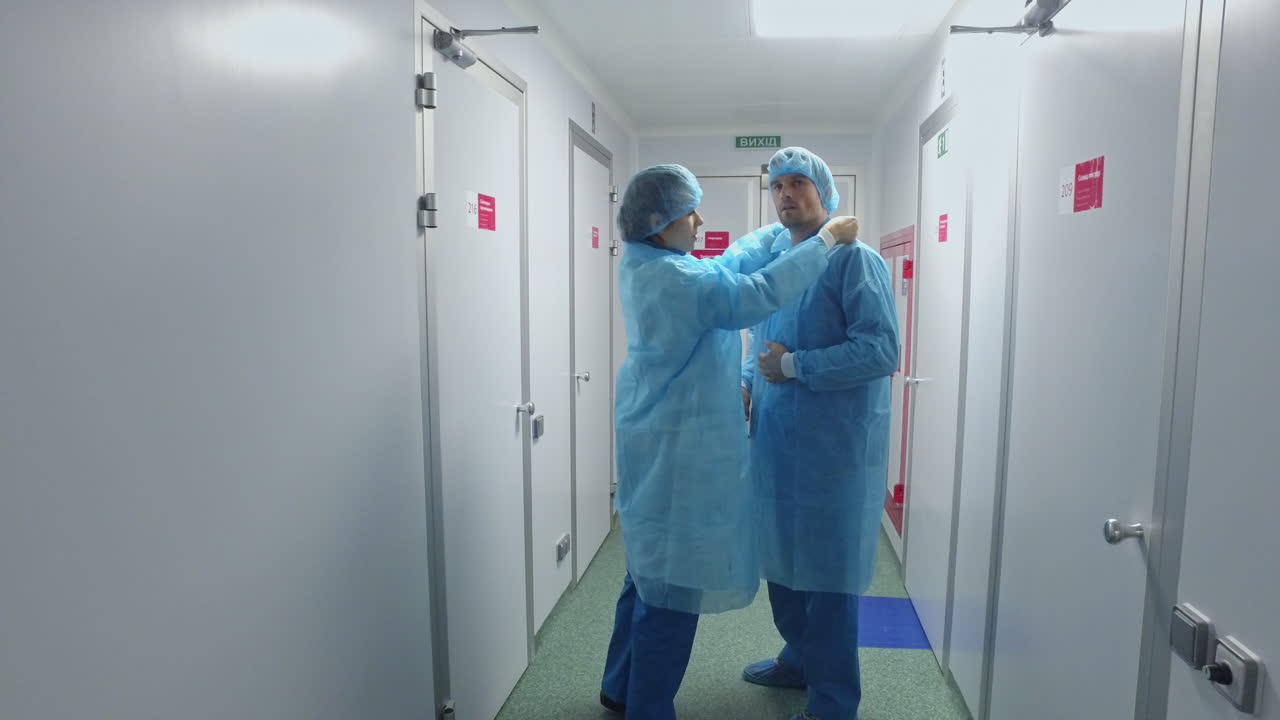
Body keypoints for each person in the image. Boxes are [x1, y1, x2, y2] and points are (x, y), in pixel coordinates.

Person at [601, 164, 860, 720]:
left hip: (656, 440)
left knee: (644, 575)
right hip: (678, 455)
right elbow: (752, 293)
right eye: (688, 212)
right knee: (670, 590)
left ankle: (619, 687)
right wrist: (824, 243)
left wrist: (776, 234)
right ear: (660, 223)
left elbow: (725, 269)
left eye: (795, 187)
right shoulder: (679, 281)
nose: (698, 220)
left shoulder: (653, 263)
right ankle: (647, 708)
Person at [739, 148, 900, 720]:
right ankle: (798, 660)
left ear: (824, 190)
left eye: (797, 183)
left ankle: (834, 701)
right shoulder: (778, 256)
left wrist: (796, 366)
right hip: (778, 441)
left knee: (827, 576)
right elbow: (763, 334)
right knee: (782, 561)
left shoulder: (854, 260)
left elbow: (882, 350)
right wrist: (747, 381)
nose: (785, 195)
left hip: (835, 448)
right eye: (776, 185)